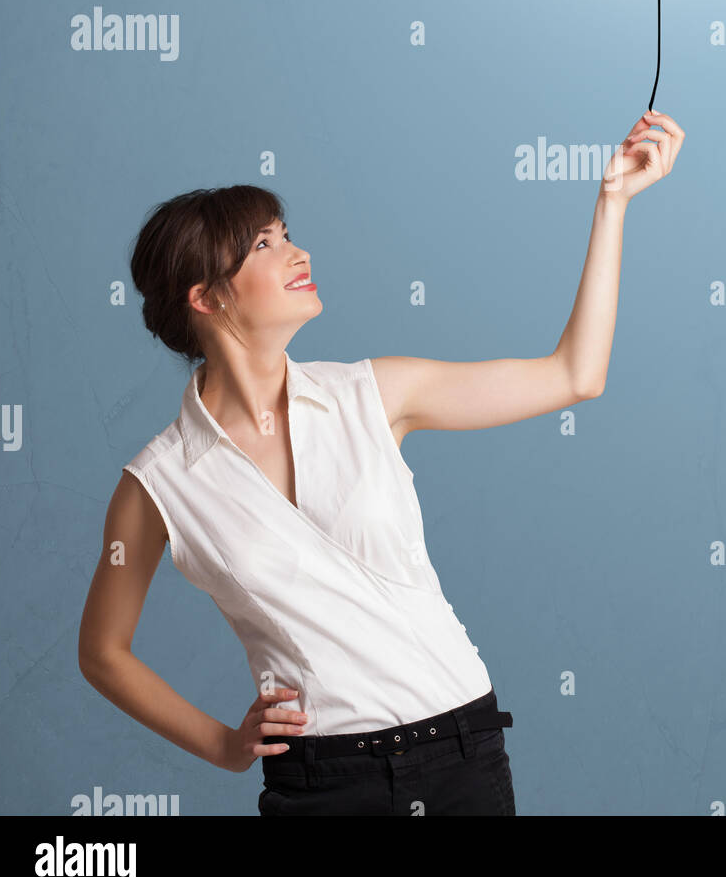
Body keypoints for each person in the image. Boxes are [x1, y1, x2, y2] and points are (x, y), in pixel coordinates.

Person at [77, 108, 684, 815]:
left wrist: (611, 201)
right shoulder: (157, 484)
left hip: (463, 752)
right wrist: (223, 745)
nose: (297, 254)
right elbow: (103, 653)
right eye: (266, 245)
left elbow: (574, 374)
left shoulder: (373, 393)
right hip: (323, 782)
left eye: (288, 235)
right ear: (207, 297)